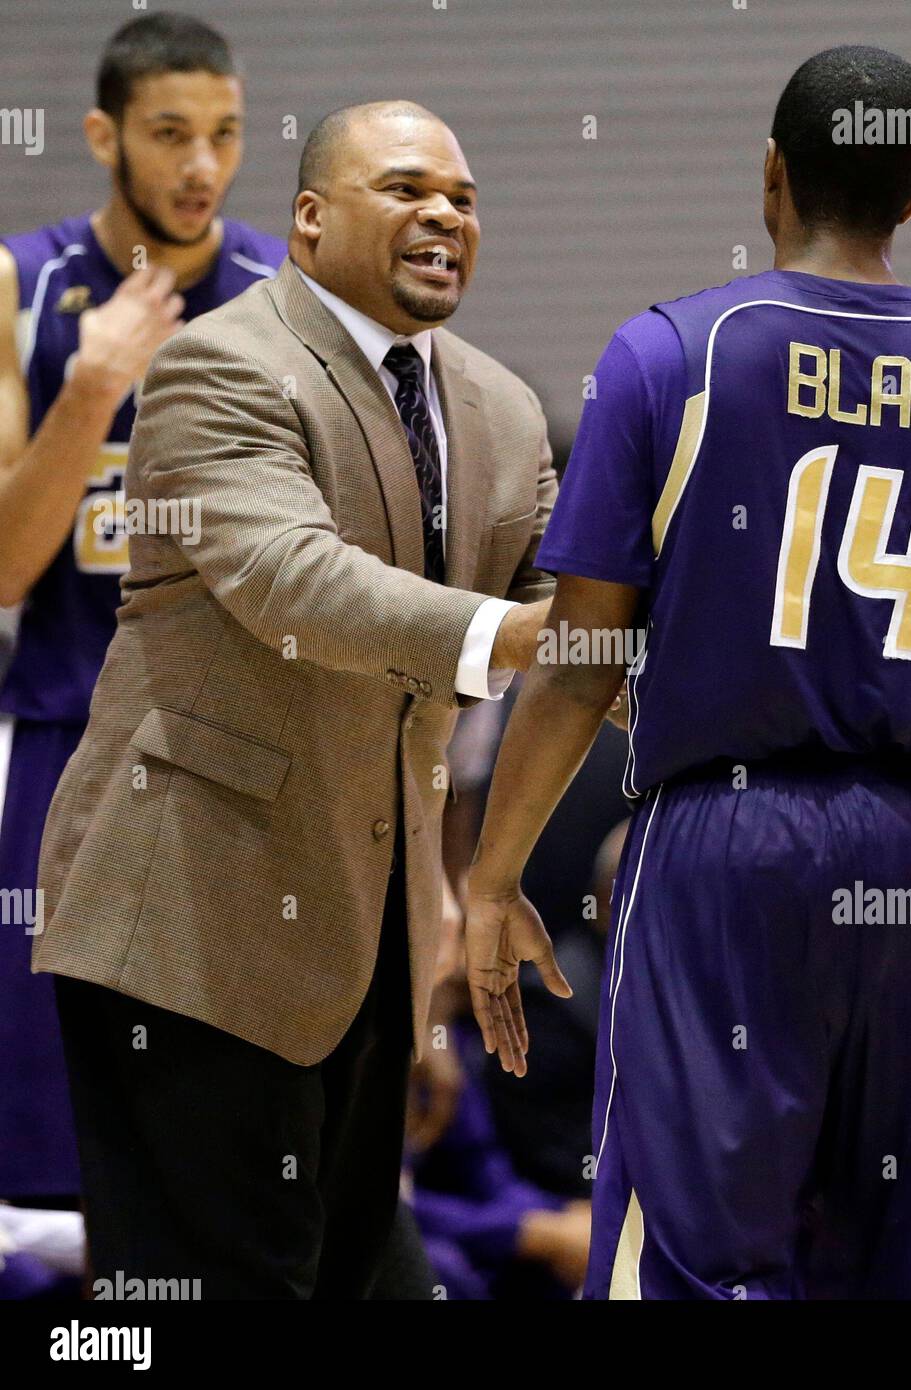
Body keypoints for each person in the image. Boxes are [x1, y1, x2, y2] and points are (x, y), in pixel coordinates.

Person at [463, 45, 911, 1299]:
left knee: (685, 1262)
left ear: (771, 174)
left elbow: (580, 657)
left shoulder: (668, 356)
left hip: (727, 845)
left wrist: (492, 873)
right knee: (887, 1265)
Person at [32, 98, 555, 1298]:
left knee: (359, 1272)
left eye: (464, 199)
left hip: (365, 931)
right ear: (310, 219)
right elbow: (295, 582)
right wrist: (535, 632)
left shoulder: (501, 405)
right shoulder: (221, 363)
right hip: (192, 928)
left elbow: (576, 622)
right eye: (408, 188)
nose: (444, 214)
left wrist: (708, 677)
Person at [0, 11, 283, 1246]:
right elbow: (6, 566)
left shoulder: (288, 295)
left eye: (222, 134)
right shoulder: (23, 284)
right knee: (54, 1165)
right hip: (69, 742)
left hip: (243, 755)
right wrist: (91, 386)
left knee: (219, 1153)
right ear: (106, 134)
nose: (202, 166)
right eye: (171, 134)